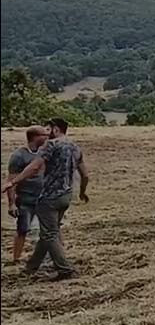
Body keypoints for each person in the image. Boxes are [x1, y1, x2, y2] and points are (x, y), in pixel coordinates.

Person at [2, 117, 90, 279]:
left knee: (50, 234)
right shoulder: (75, 147)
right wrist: (82, 192)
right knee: (47, 233)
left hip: (49, 197)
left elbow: (35, 167)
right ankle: (30, 268)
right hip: (66, 196)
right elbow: (85, 175)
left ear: (56, 129)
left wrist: (13, 182)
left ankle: (65, 269)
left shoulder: (51, 145)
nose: (47, 133)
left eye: (49, 129)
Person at [6, 125, 49, 265]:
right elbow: (11, 181)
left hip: (44, 198)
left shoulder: (45, 153)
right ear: (35, 137)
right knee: (23, 229)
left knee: (51, 228)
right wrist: (12, 203)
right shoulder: (19, 156)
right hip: (26, 199)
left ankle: (54, 256)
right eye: (44, 135)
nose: (47, 137)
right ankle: (16, 259)